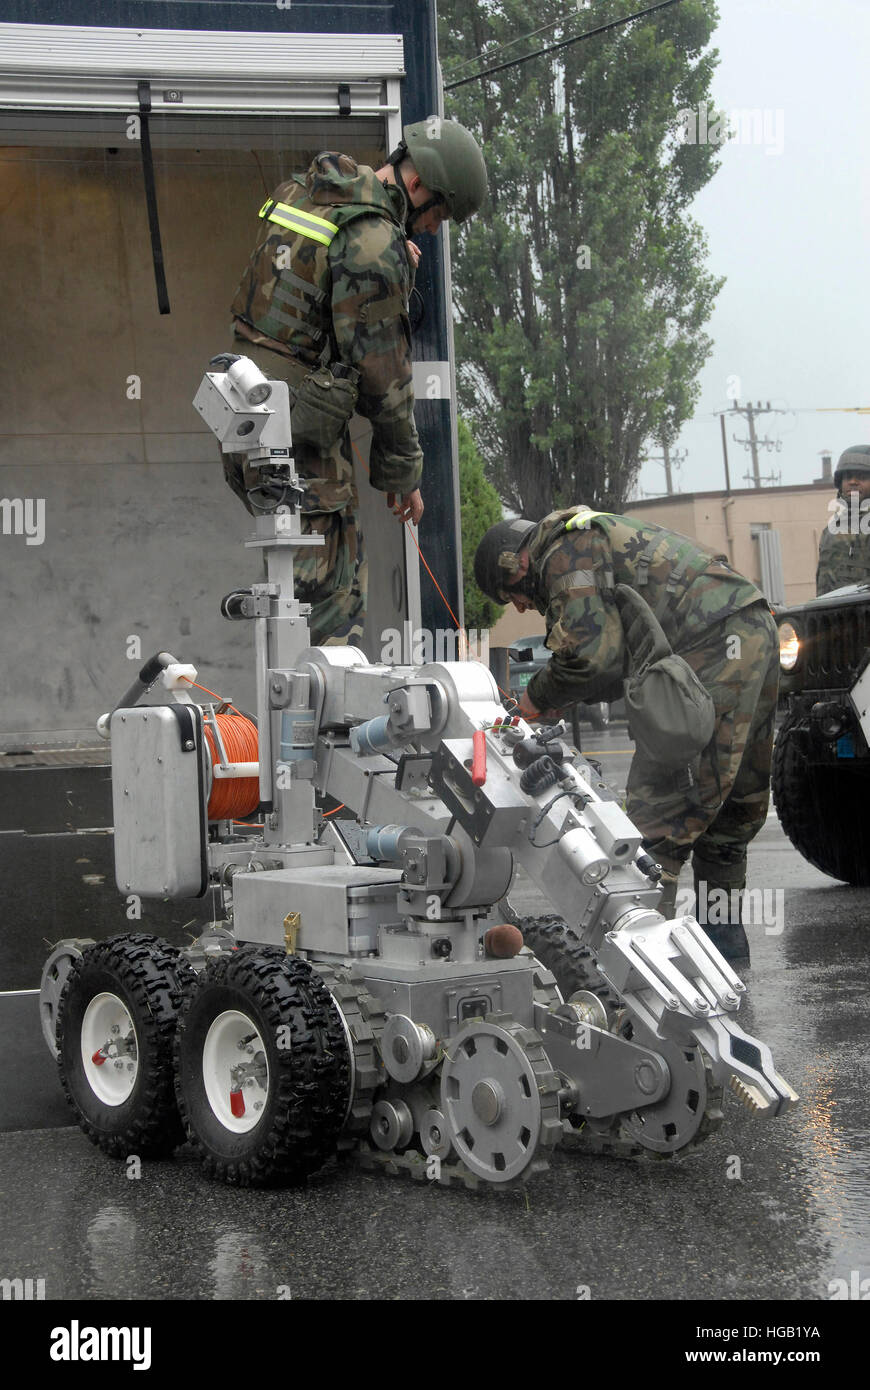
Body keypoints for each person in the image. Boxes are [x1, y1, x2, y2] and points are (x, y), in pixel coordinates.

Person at [474, 507, 781, 963]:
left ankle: (647, 972)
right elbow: (613, 655)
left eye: (509, 596)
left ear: (512, 563)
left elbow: (591, 656)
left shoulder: (562, 550)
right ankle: (726, 955)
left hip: (710, 646)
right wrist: (566, 692)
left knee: (658, 819)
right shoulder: (588, 536)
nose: (520, 606)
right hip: (752, 627)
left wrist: (535, 699)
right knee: (730, 812)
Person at [224, 117, 487, 645]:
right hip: (301, 448)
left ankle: (289, 718)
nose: (434, 230)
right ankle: (305, 728)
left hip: (245, 416)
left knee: (288, 596)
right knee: (329, 609)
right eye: (439, 215)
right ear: (417, 187)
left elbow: (309, 284)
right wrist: (404, 475)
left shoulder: (305, 192)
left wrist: (390, 256)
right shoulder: (372, 241)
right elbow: (383, 378)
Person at [816, 445, 870, 596]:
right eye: (847, 477)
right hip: (831, 614)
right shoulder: (831, 530)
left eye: (862, 477)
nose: (853, 482)